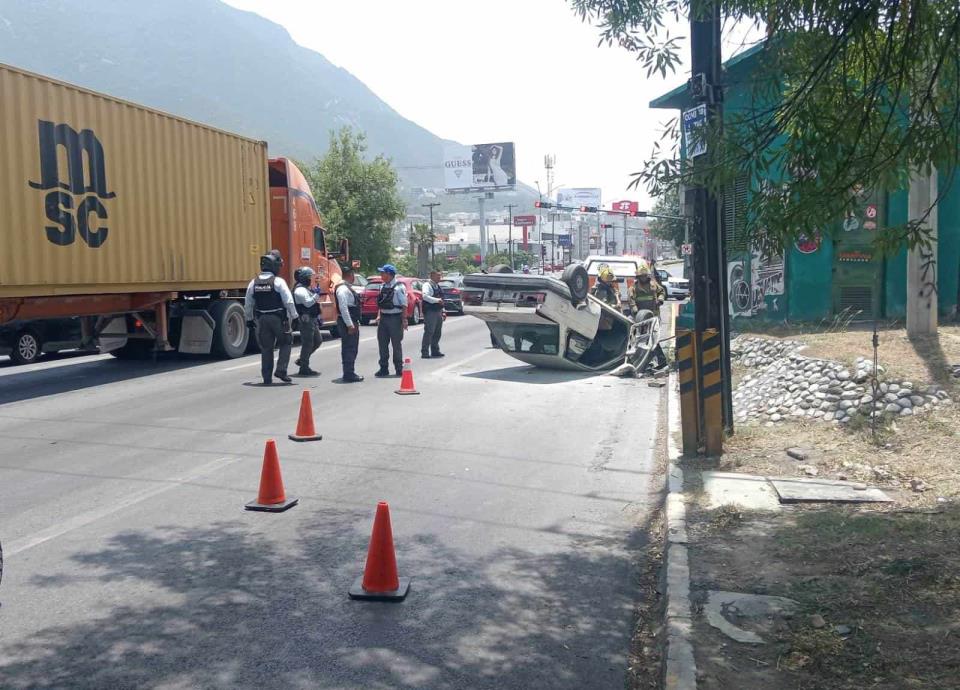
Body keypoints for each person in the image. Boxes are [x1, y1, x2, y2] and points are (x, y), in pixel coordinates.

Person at [245, 251, 297, 384]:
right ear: (274, 266)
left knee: (266, 348)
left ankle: (267, 377)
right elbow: (288, 301)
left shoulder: (253, 282)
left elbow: (248, 303)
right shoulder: (278, 281)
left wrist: (249, 320)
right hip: (278, 319)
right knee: (286, 342)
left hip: (261, 320)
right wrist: (295, 316)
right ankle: (281, 370)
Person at [630, 264, 668, 372]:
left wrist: (660, 299)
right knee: (643, 341)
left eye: (645, 276)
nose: (643, 278)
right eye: (641, 276)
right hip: (641, 320)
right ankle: (647, 362)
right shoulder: (634, 288)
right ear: (638, 277)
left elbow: (662, 291)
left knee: (653, 339)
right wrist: (635, 310)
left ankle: (659, 361)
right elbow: (631, 301)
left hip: (654, 317)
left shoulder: (654, 285)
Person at [374, 263, 407, 377]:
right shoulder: (382, 286)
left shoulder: (399, 287)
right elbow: (381, 304)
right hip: (384, 318)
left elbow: (404, 305)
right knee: (382, 344)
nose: (381, 275)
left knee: (396, 344)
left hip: (395, 318)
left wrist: (404, 320)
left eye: (383, 273)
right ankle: (383, 368)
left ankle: (399, 368)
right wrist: (379, 315)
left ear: (389, 274)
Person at [334, 263, 364, 383]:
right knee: (350, 348)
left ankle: (349, 372)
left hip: (350, 320)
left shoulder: (346, 287)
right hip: (348, 322)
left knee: (350, 347)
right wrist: (349, 324)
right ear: (350, 275)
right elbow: (343, 308)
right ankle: (349, 373)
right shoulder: (342, 289)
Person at [292, 266, 321, 377]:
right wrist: (316, 295)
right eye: (309, 277)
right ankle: (304, 367)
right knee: (308, 343)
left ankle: (302, 359)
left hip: (312, 319)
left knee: (317, 341)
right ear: (303, 278)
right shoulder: (300, 290)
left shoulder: (306, 288)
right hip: (305, 320)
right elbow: (308, 303)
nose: (310, 279)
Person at [420, 269, 446, 359]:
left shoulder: (437, 286)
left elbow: (442, 299)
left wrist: (443, 311)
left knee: (437, 332)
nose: (439, 278)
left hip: (438, 311)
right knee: (429, 331)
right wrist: (437, 300)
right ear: (432, 276)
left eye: (440, 276)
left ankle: (435, 350)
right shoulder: (427, 285)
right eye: (437, 276)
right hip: (430, 311)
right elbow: (425, 296)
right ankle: (425, 352)